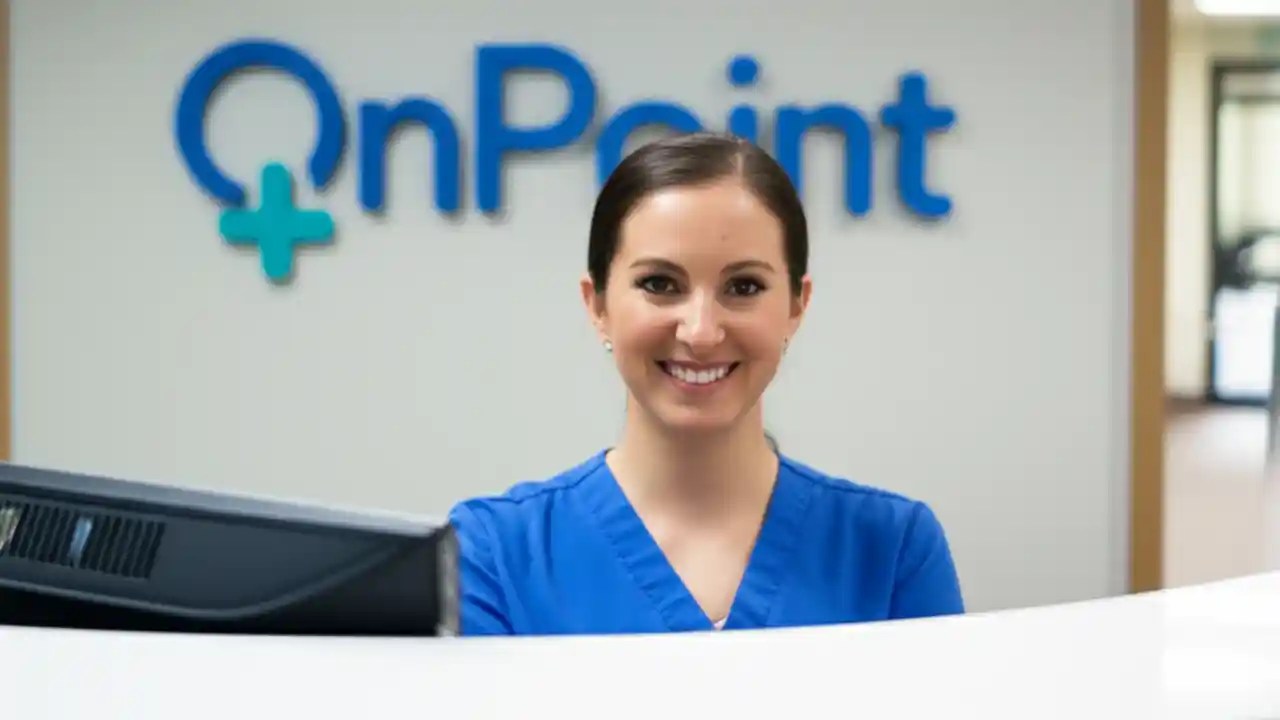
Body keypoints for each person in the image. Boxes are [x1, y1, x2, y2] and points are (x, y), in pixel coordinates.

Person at [448, 131, 964, 635]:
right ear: (598, 305)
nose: (700, 332)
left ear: (795, 307)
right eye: (659, 284)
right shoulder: (492, 554)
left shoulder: (892, 551)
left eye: (743, 287)